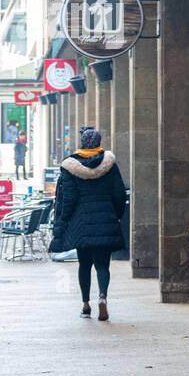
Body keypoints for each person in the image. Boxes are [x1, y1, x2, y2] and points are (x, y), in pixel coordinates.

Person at [50, 127, 127, 321]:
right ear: (99, 143)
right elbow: (119, 193)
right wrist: (116, 215)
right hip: (105, 220)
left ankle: (85, 305)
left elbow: (68, 199)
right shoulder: (109, 165)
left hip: (81, 225)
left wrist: (63, 221)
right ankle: (102, 297)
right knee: (103, 264)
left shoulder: (70, 167)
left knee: (84, 264)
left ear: (82, 143)